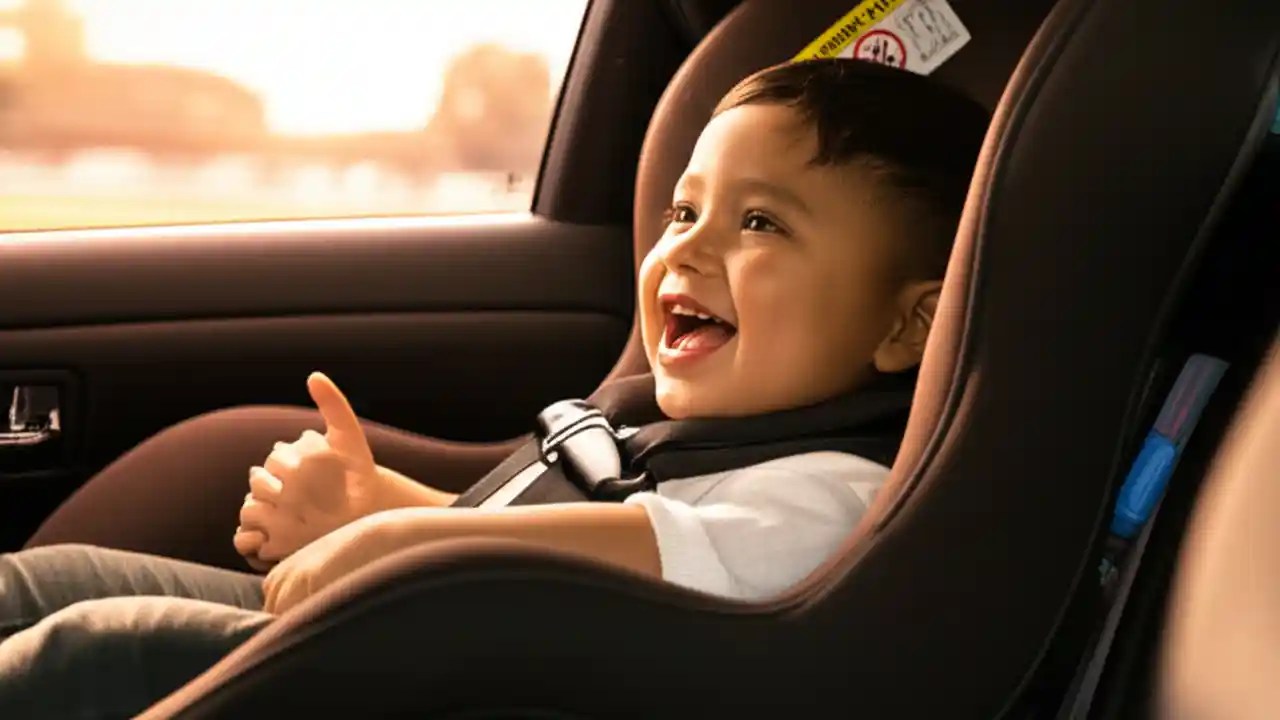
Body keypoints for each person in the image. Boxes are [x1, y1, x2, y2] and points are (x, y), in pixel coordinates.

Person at [0, 58, 989, 717]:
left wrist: (378, 541)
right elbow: (541, 543)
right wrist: (379, 504)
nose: (687, 246)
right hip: (412, 637)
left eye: (761, 225)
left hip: (456, 683)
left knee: (90, 654)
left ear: (908, 323)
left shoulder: (824, 501)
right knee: (52, 582)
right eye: (684, 211)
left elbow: (522, 572)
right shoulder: (668, 431)